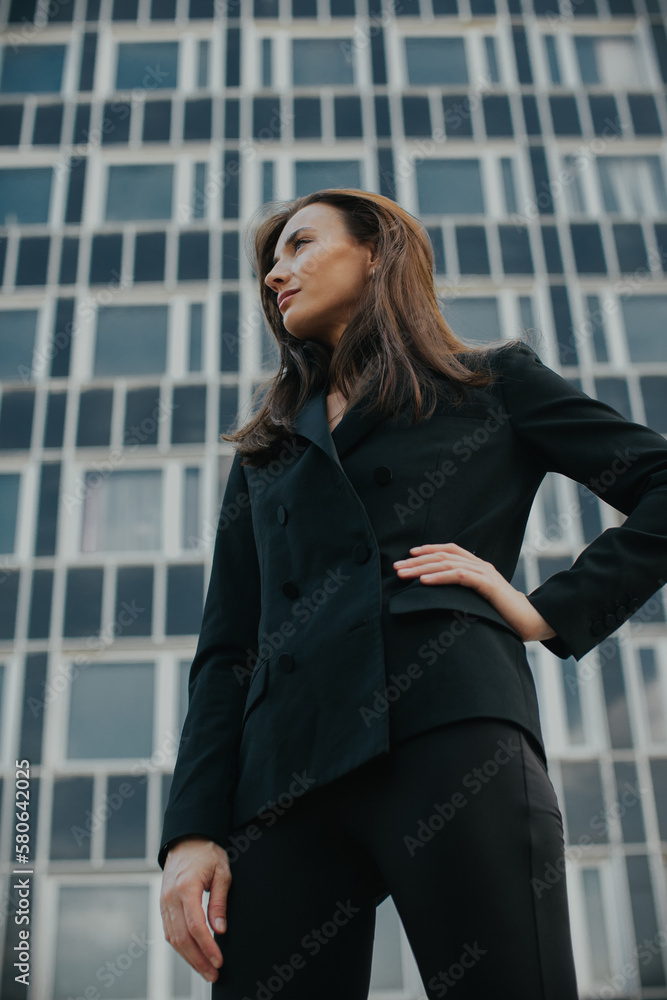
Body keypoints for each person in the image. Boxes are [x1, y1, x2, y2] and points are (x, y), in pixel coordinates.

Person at [158, 189, 667, 999]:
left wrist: (547, 608)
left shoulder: (492, 382)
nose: (275, 276)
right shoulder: (268, 450)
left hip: (446, 731)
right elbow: (226, 651)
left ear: (375, 252)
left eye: (297, 247)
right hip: (282, 776)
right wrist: (190, 834)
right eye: (269, 264)